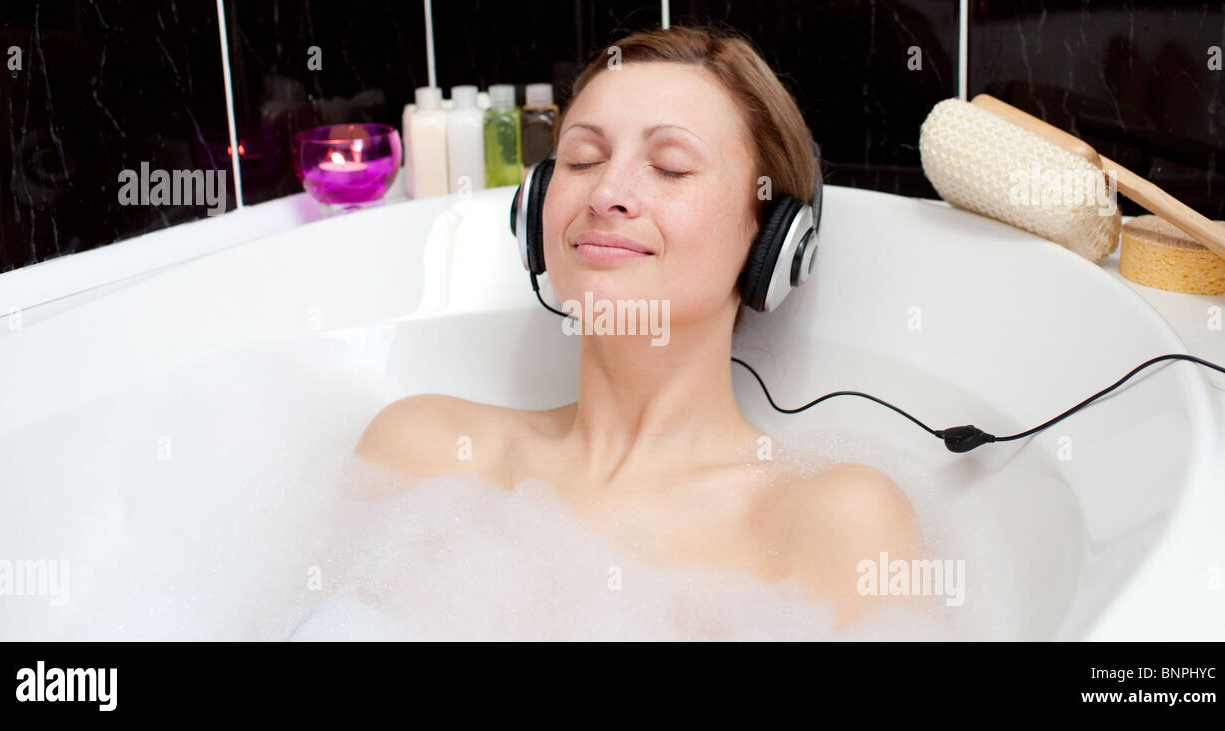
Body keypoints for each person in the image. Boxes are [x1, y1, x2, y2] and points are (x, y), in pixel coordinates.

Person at [356, 25, 927, 629]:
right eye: (582, 159)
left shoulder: (835, 524)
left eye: (671, 167)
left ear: (773, 240)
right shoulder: (420, 452)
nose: (606, 193)